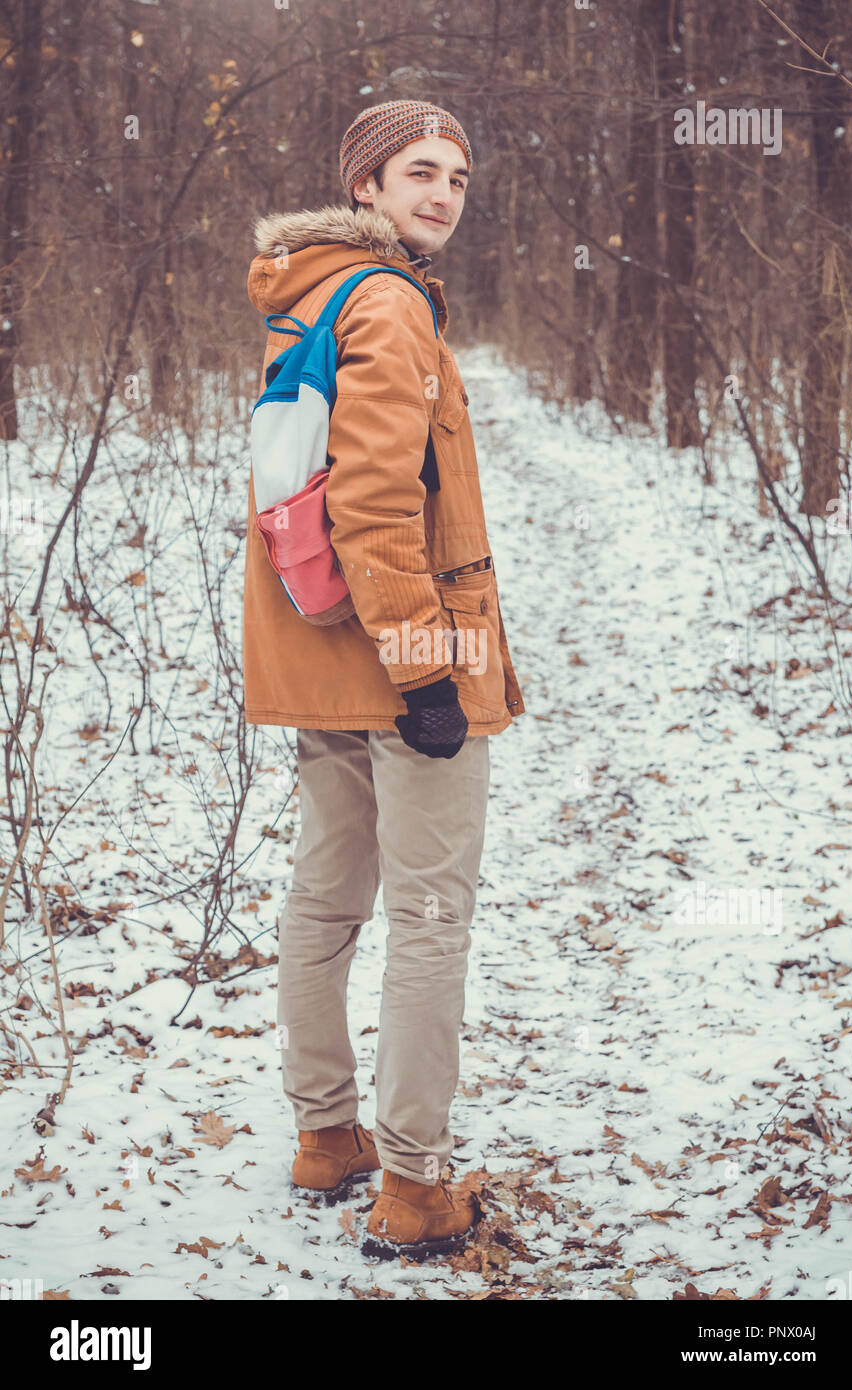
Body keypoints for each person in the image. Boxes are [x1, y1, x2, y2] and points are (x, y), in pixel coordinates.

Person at [243, 99, 526, 1255]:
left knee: (324, 901)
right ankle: (413, 1185)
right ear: (364, 186)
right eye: (419, 170)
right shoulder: (391, 300)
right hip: (406, 654)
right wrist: (425, 669)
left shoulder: (307, 288)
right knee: (427, 916)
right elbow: (367, 498)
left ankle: (326, 1134)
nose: (443, 192)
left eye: (458, 174)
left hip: (318, 647)